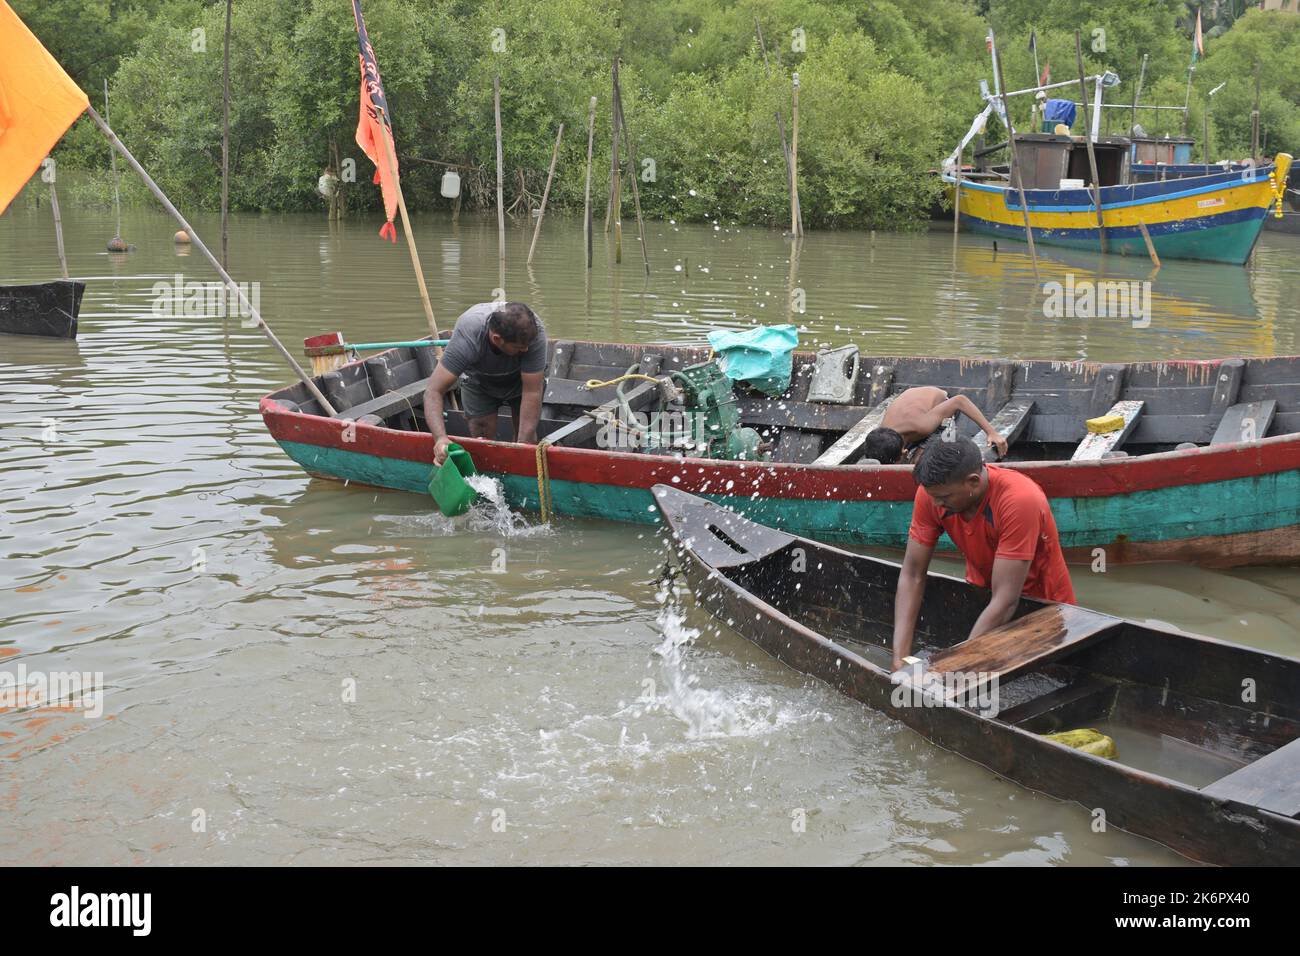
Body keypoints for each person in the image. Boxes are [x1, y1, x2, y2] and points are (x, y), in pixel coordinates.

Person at [891, 436, 1075, 671]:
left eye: (944, 498)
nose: (936, 504)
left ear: (973, 481)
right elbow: (913, 574)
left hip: (1044, 609)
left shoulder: (1019, 500)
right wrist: (899, 658)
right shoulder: (933, 494)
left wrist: (958, 666)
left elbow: (1006, 600)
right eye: (933, 497)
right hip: (987, 598)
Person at [423, 301, 547, 465]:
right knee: (482, 438)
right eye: (519, 347)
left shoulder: (532, 335)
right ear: (497, 339)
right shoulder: (469, 336)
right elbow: (433, 391)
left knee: (525, 441)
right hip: (479, 380)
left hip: (520, 380)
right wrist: (440, 438)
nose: (525, 350)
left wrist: (522, 449)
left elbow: (532, 391)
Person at [861, 386, 1009, 464]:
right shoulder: (881, 434)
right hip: (914, 405)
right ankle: (920, 448)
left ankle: (927, 449)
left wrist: (992, 432)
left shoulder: (923, 425)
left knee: (933, 455)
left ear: (904, 452)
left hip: (944, 406)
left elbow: (960, 401)